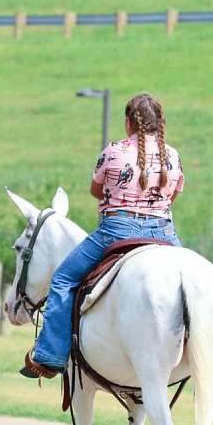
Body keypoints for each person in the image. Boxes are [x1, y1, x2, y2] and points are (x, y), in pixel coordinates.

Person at [21, 92, 184, 379]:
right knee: (187, 286)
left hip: (116, 231)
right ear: (160, 122)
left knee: (63, 279)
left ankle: (49, 356)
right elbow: (175, 193)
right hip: (163, 232)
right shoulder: (172, 155)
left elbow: (96, 190)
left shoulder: (113, 151)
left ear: (128, 123)